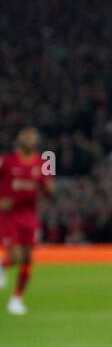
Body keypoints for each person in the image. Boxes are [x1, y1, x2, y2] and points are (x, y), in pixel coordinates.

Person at [0, 127, 53, 316]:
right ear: (19, 139)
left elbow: (49, 191)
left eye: (33, 137)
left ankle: (17, 298)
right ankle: (4, 265)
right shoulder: (6, 161)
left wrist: (46, 182)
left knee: (27, 258)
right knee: (15, 255)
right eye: (26, 136)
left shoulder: (45, 160)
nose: (30, 139)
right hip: (8, 215)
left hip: (29, 214)